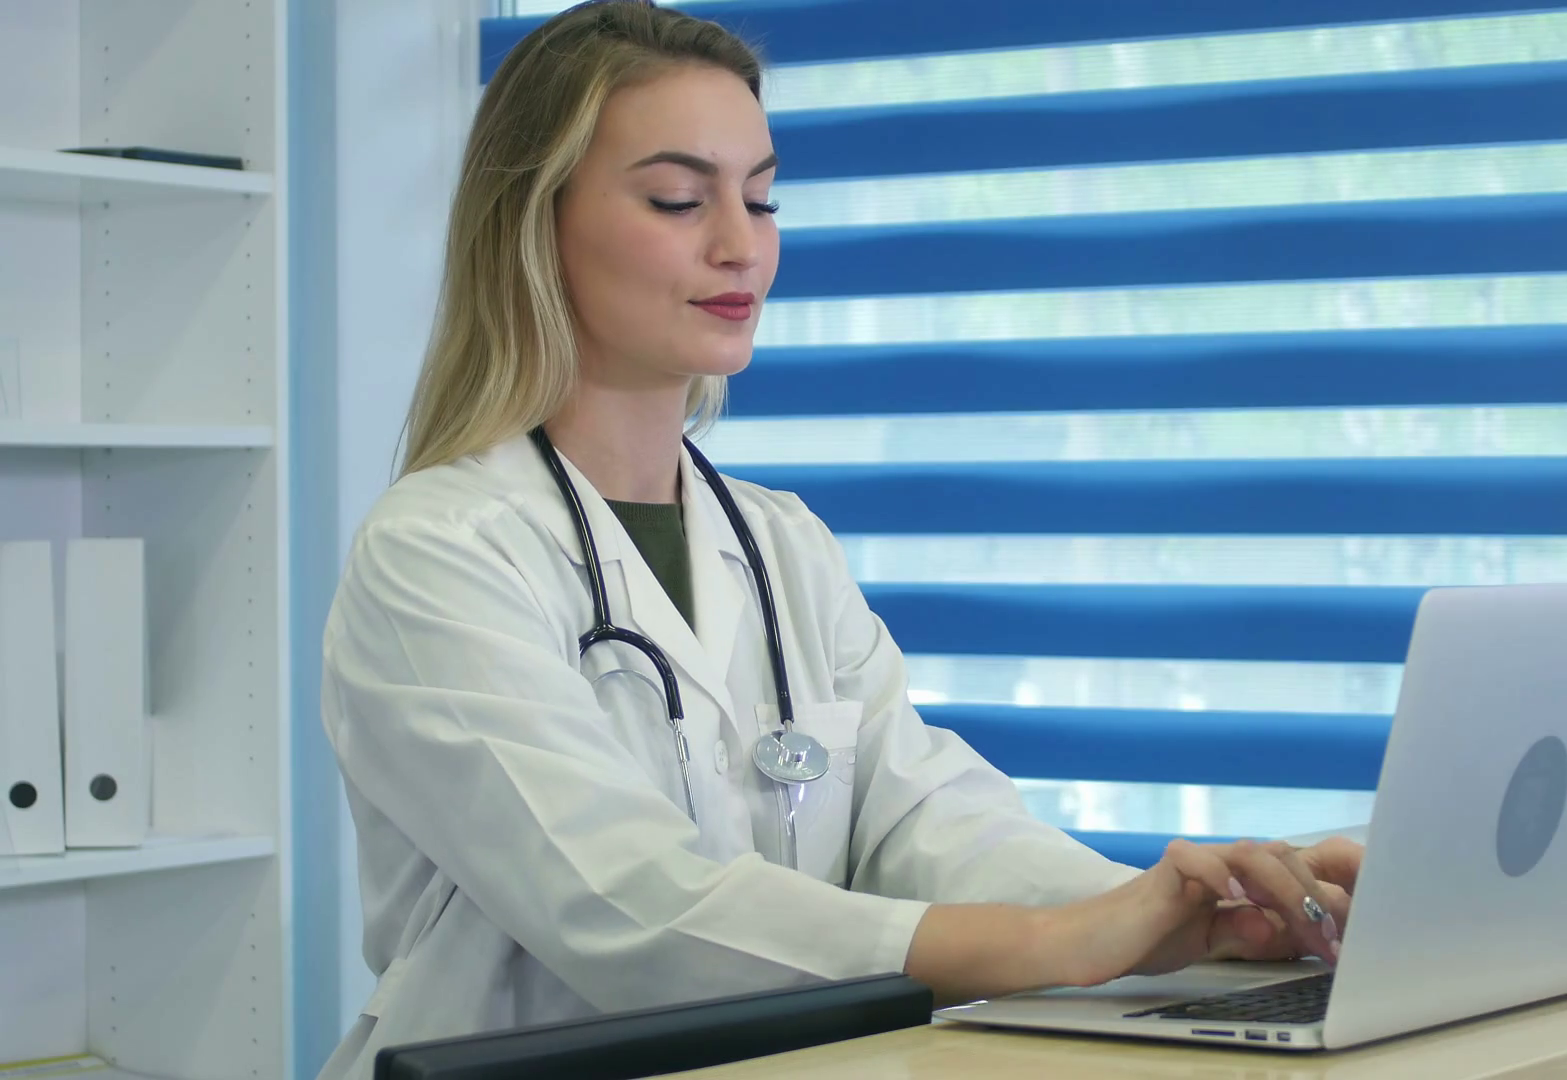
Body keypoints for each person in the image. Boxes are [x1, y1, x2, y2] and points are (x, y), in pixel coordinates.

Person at [316, 3, 1364, 1076]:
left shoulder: (781, 544)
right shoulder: (438, 555)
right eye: (680, 198)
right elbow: (624, 904)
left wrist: (1187, 908)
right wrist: (1056, 944)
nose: (742, 243)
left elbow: (927, 823)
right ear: (535, 220)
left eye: (762, 196)